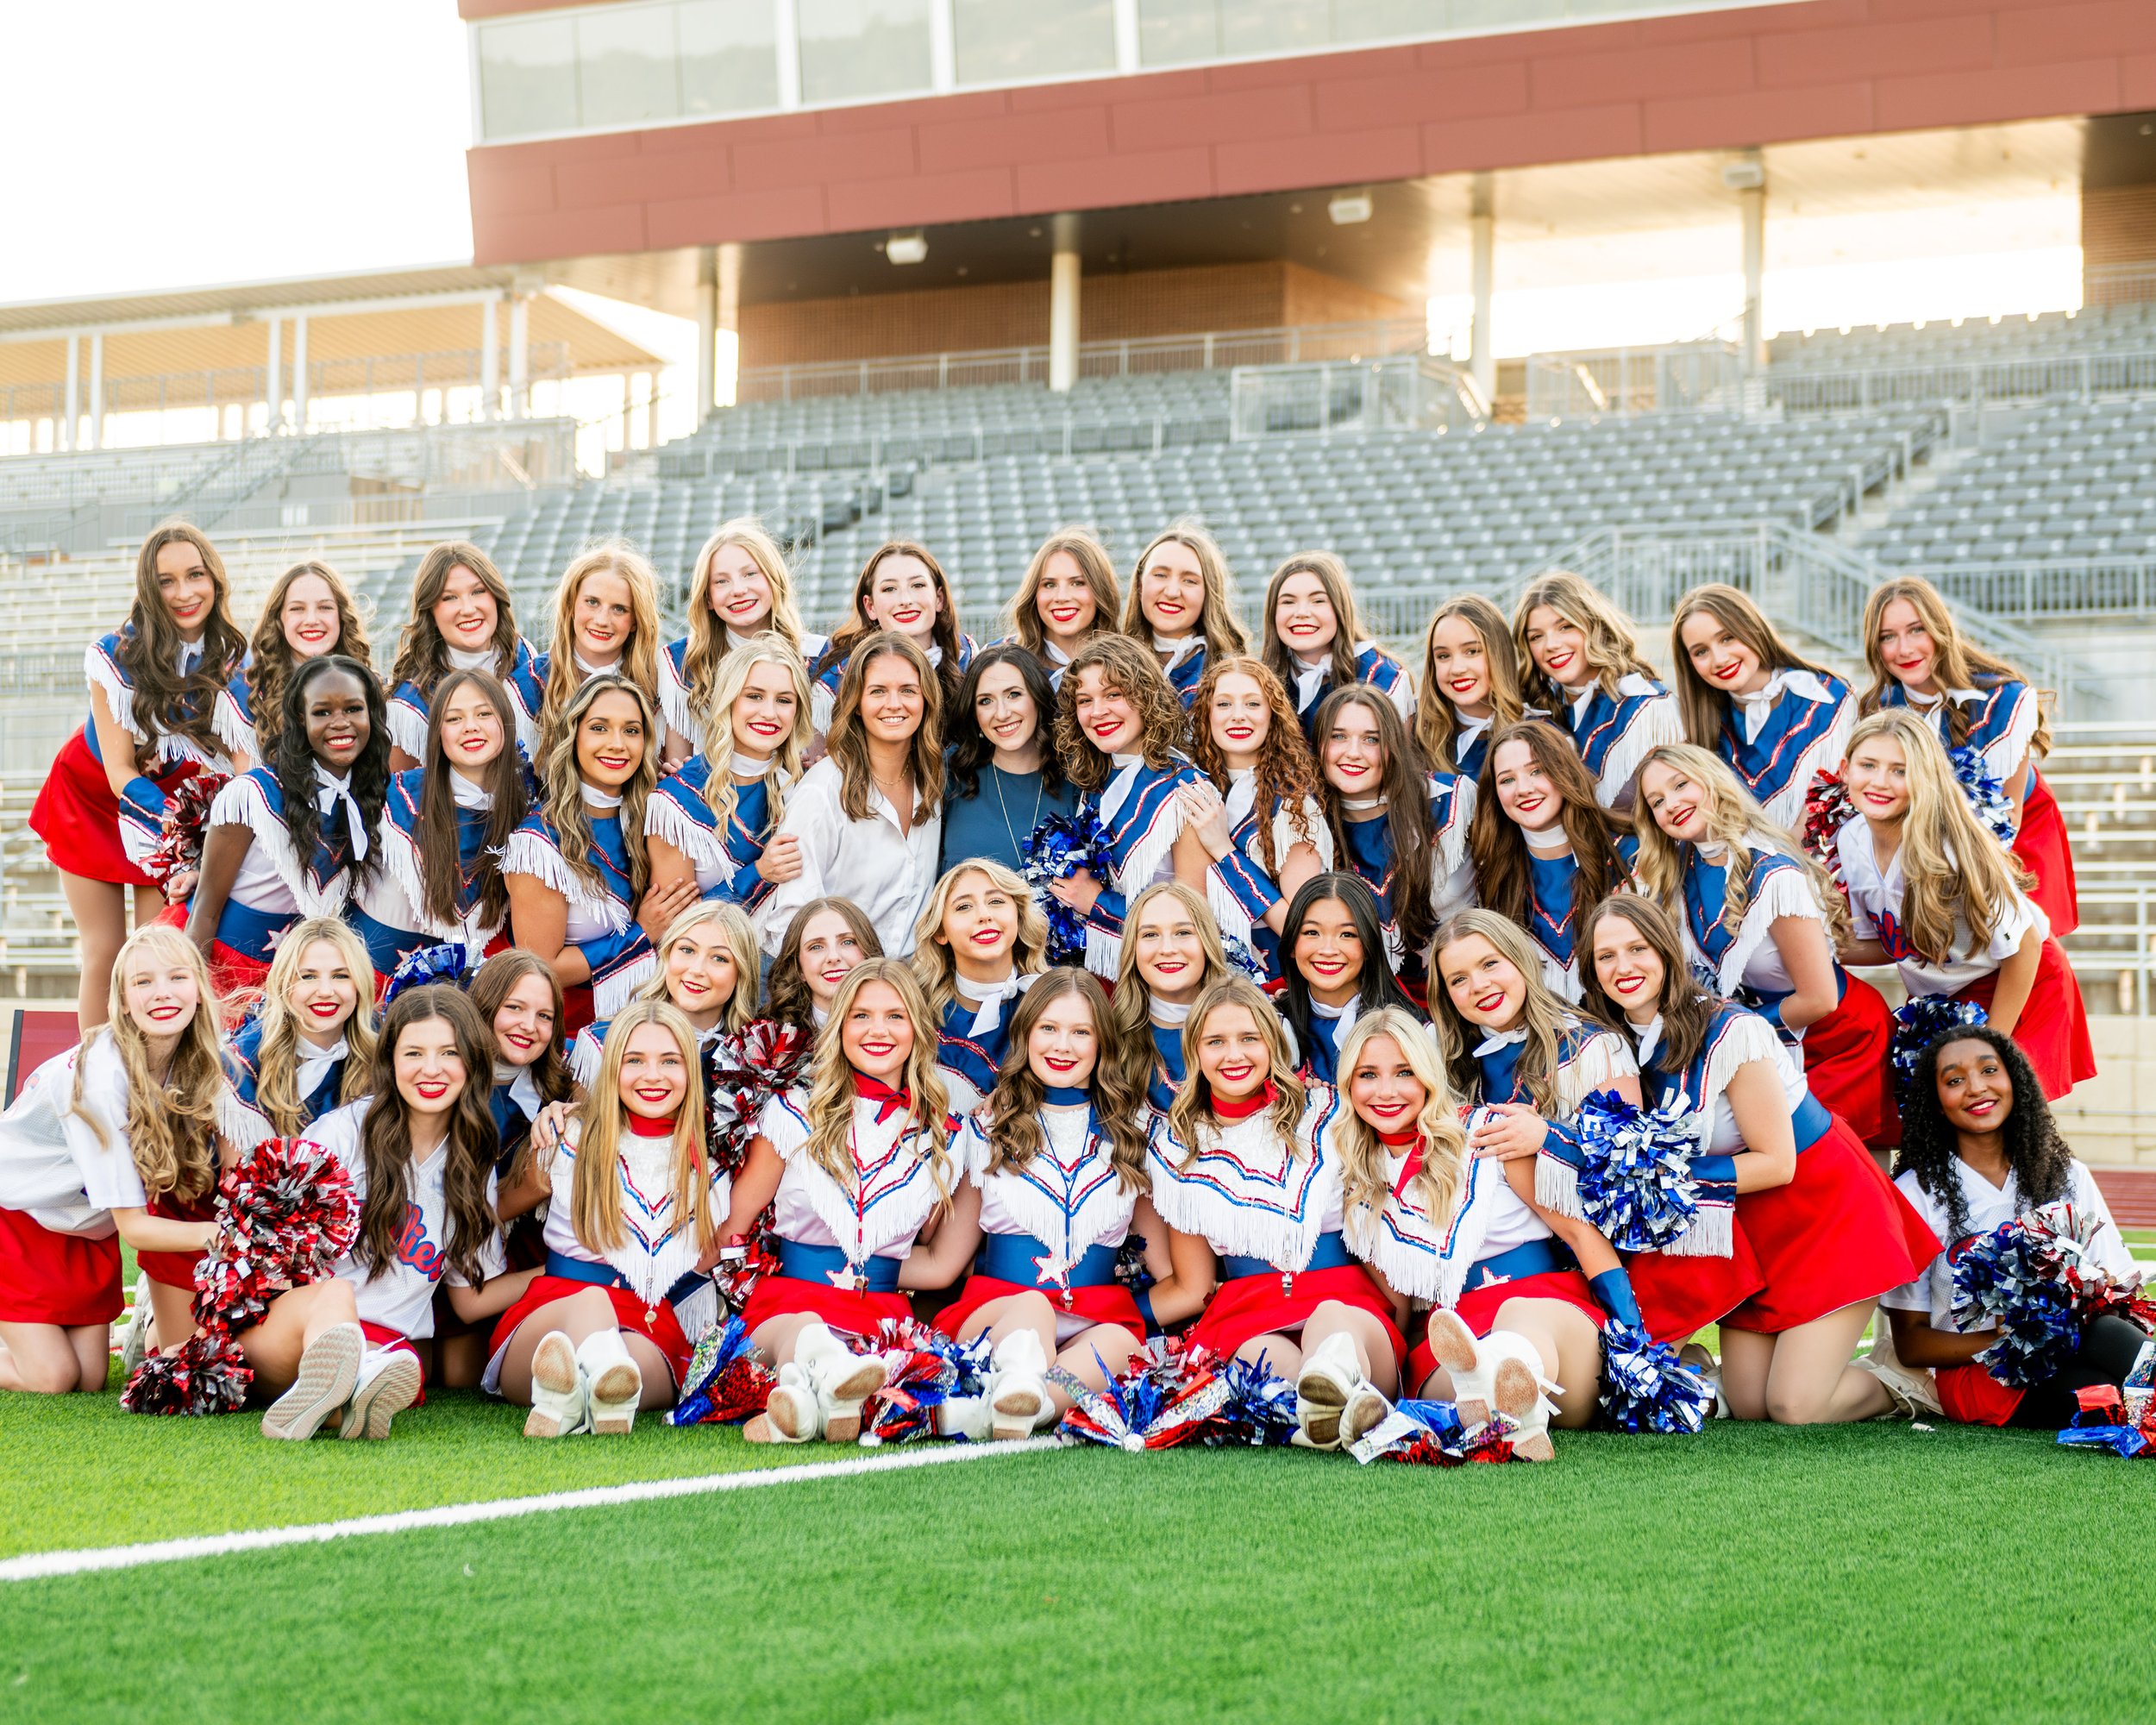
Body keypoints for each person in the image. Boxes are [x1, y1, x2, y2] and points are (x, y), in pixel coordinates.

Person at [1579, 897, 1937, 1422]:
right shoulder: (1613, 1048)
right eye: (1605, 956)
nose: (1623, 967)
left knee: (1794, 1407)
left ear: (1666, 953)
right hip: (1750, 1220)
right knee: (1749, 1403)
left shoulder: (1731, 1029)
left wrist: (1660, 1176)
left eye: (1637, 948)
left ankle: (1901, 1380)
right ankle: (1696, 1364)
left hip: (1823, 1207)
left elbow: (1777, 1163)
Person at [0, 925, 355, 1440]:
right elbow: (138, 1230)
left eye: (177, 977)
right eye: (143, 982)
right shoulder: (100, 1079)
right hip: (21, 1217)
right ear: (122, 1000)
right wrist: (229, 1235)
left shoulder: (207, 1056)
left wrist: (267, 1215)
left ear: (198, 987)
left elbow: (237, 1164)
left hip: (83, 1227)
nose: (162, 992)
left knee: (89, 1376)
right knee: (53, 1377)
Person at [1428, 907, 1761, 1347]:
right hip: (1499, 1255)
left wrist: (1548, 1138)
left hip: (1613, 1257)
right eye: (1459, 979)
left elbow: (1630, 1174)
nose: (1480, 986)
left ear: (1520, 960)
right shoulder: (1438, 1059)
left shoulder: (1595, 1046)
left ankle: (1674, 1354)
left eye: (1490, 964)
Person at [1336, 1009, 1628, 1460]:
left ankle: (1497, 1384)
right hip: (1451, 1331)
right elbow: (1397, 1305)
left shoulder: (1490, 1133)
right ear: (1348, 1085)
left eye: (1405, 1072)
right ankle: (1504, 1409)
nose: (1386, 1091)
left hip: (1547, 1315)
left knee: (1519, 1318)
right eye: (1368, 1075)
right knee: (1442, 1377)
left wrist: (1635, 1343)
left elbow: (1578, 1233)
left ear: (1429, 1076)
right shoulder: (1355, 1182)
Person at [1146, 975, 1402, 1452]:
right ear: (1194, 1052)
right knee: (1255, 1357)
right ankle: (1332, 1408)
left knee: (1333, 1325)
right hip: (1250, 1313)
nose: (1234, 1055)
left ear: (1273, 1042)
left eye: (1249, 1038)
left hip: (1347, 1303)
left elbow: (1376, 1230)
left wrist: (1405, 1318)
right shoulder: (1175, 1149)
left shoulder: (1328, 1114)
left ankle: (1332, 1394)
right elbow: (1195, 1284)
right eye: (1216, 1042)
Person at [724, 960, 963, 1443]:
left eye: (896, 1016)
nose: (879, 1030)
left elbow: (936, 1257)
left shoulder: (945, 1135)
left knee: (897, 1380)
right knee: (807, 1329)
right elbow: (735, 1225)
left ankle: (804, 1408)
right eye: (861, 1016)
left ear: (918, 1028)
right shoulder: (792, 1111)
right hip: (788, 1304)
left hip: (882, 1315)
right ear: (839, 1026)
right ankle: (818, 1384)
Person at [932, 969, 1179, 1439]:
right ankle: (1009, 1386)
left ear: (1102, 1042)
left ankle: (1025, 1404)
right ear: (1025, 1035)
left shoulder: (1134, 1135)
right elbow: (946, 1263)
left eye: (1080, 1032)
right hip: (998, 1312)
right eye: (1048, 1028)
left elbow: (1168, 1272)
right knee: (1034, 1309)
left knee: (1121, 1342)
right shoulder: (986, 1129)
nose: (1062, 1045)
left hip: (1092, 1317)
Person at [30, 521, 247, 1029]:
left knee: (156, 949)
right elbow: (119, 770)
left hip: (173, 807)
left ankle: (155, 1074)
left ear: (215, 579)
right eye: (166, 581)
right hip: (96, 796)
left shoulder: (237, 659)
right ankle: (94, 1079)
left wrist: (203, 834)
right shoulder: (114, 655)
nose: (184, 593)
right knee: (105, 950)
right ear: (148, 590)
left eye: (195, 575)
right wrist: (172, 826)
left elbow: (242, 766)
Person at [1631, 743, 1896, 1150]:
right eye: (1656, 801)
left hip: (1841, 1039)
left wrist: (1730, 1032)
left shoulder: (1772, 871)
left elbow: (1820, 998)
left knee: (1831, 1176)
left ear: (1711, 780)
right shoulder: (1677, 870)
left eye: (1681, 784)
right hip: (1767, 1037)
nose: (1671, 804)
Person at [304, 986, 541, 1438]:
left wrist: (563, 1271)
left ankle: (343, 1396)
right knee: (346, 1339)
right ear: (390, 1061)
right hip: (309, 1324)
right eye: (414, 1052)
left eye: (449, 1053)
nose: (431, 1069)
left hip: (390, 1346)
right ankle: (334, 1388)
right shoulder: (343, 1133)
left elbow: (470, 1300)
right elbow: (277, 1241)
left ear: (471, 1063)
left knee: (401, 1368)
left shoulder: (472, 1165)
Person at [1883, 1027, 2147, 1428]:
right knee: (2112, 1398)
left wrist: (2081, 1304)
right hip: (1985, 1377)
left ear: (2015, 1081)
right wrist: (2023, 1337)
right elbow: (1912, 1344)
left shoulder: (2067, 1176)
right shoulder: (1914, 1193)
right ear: (1936, 1103)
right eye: (1954, 1080)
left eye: (1989, 1070)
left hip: (2080, 1345)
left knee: (2110, 1338)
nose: (1975, 1088)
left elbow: (2120, 1291)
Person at [487, 1000, 725, 1436]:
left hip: (646, 1321)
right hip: (552, 1314)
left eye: (669, 1061)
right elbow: (490, 1214)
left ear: (691, 1070)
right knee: (592, 1302)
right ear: (612, 1067)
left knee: (634, 1366)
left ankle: (586, 1391)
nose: (652, 1075)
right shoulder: (566, 1136)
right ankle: (596, 1378)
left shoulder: (712, 1162)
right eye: (635, 1060)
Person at [1836, 710, 2093, 1101]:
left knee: (1995, 1119)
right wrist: (1814, 948)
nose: (1879, 782)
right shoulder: (1851, 839)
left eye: (1900, 771)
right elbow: (1894, 944)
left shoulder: (1953, 847)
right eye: (1868, 765)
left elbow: (2022, 945)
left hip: (2020, 979)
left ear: (1924, 779)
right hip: (1940, 995)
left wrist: (1990, 1044)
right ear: (1844, 769)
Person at [1861, 574, 2076, 937]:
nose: (1904, 649)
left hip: (2013, 836)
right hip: (1925, 844)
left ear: (1939, 630)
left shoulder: (2003, 700)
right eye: (1888, 637)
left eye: (1917, 630)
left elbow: (2005, 821)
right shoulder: (1876, 712)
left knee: (2023, 946)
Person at [186, 655, 388, 1006]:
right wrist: (195, 997)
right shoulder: (251, 795)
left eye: (353, 709)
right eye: (322, 712)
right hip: (228, 973)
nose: (340, 723)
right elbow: (205, 910)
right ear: (300, 718)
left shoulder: (377, 797)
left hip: (306, 981)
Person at [504, 674, 695, 1036]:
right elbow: (539, 968)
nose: (617, 744)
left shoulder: (654, 816)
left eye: (632, 730)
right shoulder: (539, 843)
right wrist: (640, 933)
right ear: (573, 736)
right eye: (599, 728)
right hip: (572, 1034)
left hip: (654, 1020)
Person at [1049, 635, 1227, 977]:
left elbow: (1196, 917)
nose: (1098, 711)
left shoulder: (1185, 790)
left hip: (1172, 977)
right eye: (1084, 700)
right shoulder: (1096, 783)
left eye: (1114, 694)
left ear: (1146, 696)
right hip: (1112, 974)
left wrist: (1098, 903)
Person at [760, 631, 943, 961]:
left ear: (926, 699)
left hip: (910, 988)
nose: (894, 704)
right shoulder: (823, 790)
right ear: (857, 704)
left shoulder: (934, 782)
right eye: (878, 692)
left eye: (908, 691)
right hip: (835, 987)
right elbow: (793, 917)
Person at [357, 668, 530, 977]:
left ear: (506, 723)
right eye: (454, 719)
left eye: (484, 714)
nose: (470, 727)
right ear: (438, 732)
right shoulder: (392, 799)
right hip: (375, 980)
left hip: (467, 991)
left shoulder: (526, 811)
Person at [1312, 683, 1473, 1005]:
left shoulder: (1455, 801)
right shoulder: (1306, 824)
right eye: (1338, 736)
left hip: (1462, 997)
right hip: (1359, 1007)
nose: (1353, 752)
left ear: (1393, 746)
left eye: (1372, 739)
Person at [1188, 655, 1332, 979]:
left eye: (1253, 704)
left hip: (1273, 979)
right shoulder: (1192, 786)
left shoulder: (1294, 804)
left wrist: (1225, 851)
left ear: (1272, 715)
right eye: (1224, 704)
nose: (1238, 716)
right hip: (1202, 971)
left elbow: (1300, 928)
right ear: (1206, 715)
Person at [1669, 583, 1852, 834]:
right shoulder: (1702, 736)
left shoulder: (1831, 696)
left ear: (1752, 628)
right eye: (1701, 651)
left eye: (1727, 637)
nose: (1720, 659)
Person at [1467, 719, 1627, 1003]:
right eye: (1507, 780)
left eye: (1537, 771)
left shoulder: (1628, 852)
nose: (1523, 788)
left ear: (1564, 771)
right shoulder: (1493, 876)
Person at [647, 635, 810, 909]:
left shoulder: (803, 786)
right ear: (728, 700)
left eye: (784, 700)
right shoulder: (674, 803)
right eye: (754, 696)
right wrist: (759, 874)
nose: (769, 713)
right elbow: (675, 927)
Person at [659, 519, 827, 764]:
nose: (738, 590)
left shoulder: (818, 657)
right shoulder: (683, 662)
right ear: (707, 597)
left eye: (750, 574)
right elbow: (678, 768)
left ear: (773, 580)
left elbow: (816, 758)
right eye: (721, 581)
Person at [1514, 570, 1679, 811]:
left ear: (1594, 624)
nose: (1551, 645)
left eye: (1565, 627)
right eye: (1537, 637)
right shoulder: (1532, 711)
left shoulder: (1649, 709)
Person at [382, 540, 545, 768]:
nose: (468, 609)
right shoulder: (410, 705)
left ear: (496, 597)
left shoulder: (529, 662)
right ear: (430, 610)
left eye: (478, 592)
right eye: (449, 597)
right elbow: (402, 793)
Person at [569, 901, 761, 1089]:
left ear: (742, 973)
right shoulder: (609, 1040)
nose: (697, 970)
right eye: (687, 950)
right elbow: (581, 1118)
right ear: (667, 956)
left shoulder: (755, 1059)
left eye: (719, 958)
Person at [910, 860, 1050, 1113]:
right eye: (964, 907)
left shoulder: (1055, 1003)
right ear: (941, 931)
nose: (984, 915)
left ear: (1018, 916)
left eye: (996, 901)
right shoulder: (915, 1012)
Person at [226, 917, 378, 1138]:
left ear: (359, 985)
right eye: (308, 976)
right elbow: (240, 1169)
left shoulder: (382, 1052)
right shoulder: (241, 1067)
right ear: (283, 985)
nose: (325, 991)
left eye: (340, 976)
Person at [218, 558, 372, 771]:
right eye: (297, 609)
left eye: (325, 607)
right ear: (279, 619)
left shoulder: (370, 686)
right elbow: (249, 788)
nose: (311, 619)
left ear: (341, 616)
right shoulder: (246, 694)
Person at [939, 643, 1077, 878]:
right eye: (986, 701)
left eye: (1014, 695)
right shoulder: (950, 772)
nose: (1002, 713)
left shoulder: (1076, 774)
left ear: (1037, 697)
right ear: (974, 713)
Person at [809, 541, 975, 737]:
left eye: (918, 585)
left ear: (939, 598)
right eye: (889, 589)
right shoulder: (839, 675)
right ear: (870, 606)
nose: (905, 600)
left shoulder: (967, 657)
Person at [1107, 881, 1238, 1121]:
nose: (1167, 948)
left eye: (1183, 932)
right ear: (1132, 950)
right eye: (1150, 935)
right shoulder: (1111, 1041)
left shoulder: (1256, 1026)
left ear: (1206, 942)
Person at [1276, 873, 1418, 1088]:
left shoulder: (1410, 1030)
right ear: (1292, 945)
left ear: (1369, 945)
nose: (1328, 950)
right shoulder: (1271, 1024)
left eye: (1347, 934)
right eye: (1312, 932)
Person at [1260, 550, 1412, 741]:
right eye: (1288, 602)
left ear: (1340, 608)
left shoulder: (1384, 675)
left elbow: (1398, 765)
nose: (1302, 612)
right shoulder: (1258, 681)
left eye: (1318, 601)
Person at [534, 542, 664, 749]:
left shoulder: (660, 688)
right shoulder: (530, 684)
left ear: (636, 621)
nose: (602, 620)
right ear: (571, 605)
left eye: (619, 609)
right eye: (592, 602)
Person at [1120, 523, 1247, 707]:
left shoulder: (1234, 674)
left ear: (1208, 593)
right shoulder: (1111, 666)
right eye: (1160, 575)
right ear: (1140, 585)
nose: (1172, 592)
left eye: (1189, 580)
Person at [1415, 593, 1532, 781]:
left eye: (1472, 651)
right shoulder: (1415, 736)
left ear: (1499, 654)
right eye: (1443, 656)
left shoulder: (1541, 734)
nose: (1457, 669)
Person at [1005, 528, 1119, 686]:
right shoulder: (1002, 661)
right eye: (1049, 584)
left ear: (1100, 590)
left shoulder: (1131, 663)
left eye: (1077, 583)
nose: (1062, 597)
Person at [768, 897, 882, 1042]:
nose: (833, 957)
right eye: (816, 947)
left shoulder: (902, 1027)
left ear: (868, 954)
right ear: (799, 968)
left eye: (847, 942)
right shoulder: (767, 1040)